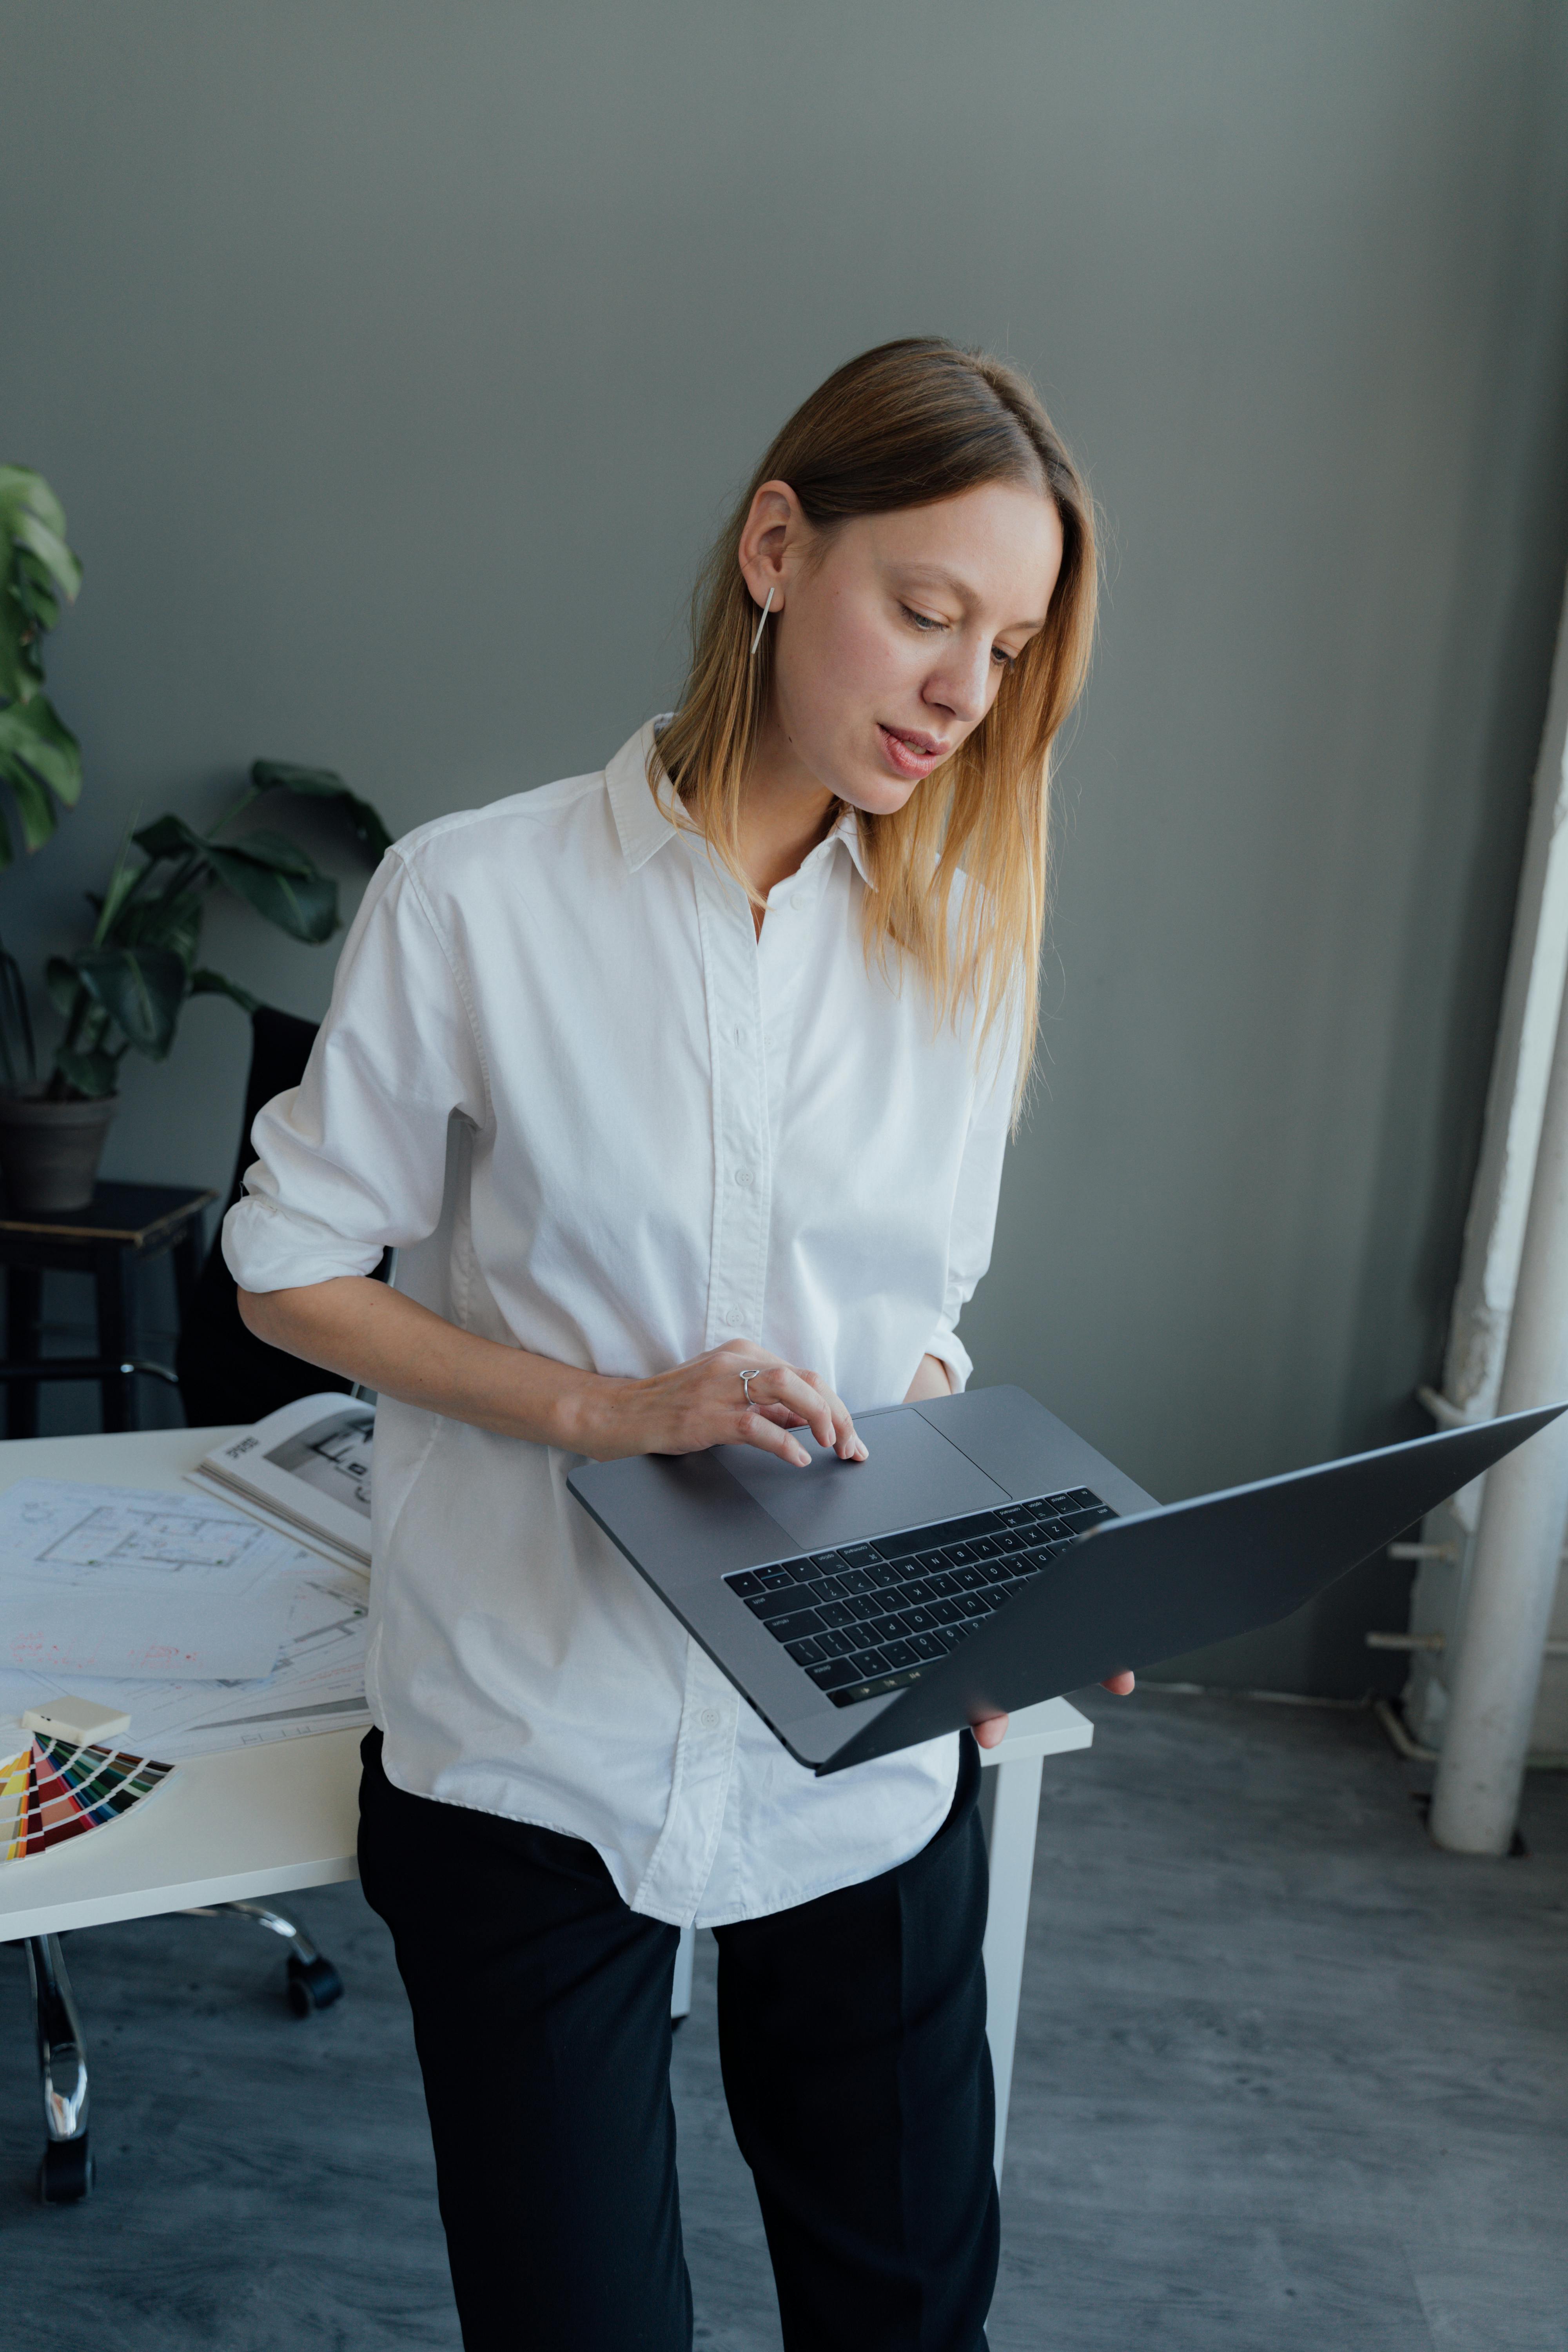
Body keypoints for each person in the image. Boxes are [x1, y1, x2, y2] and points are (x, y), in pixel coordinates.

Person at [228, 337, 1134, 2352]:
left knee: (906, 2321)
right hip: (534, 1747)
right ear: (773, 546)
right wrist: (605, 1412)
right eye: (923, 614)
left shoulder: (959, 954)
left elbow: (916, 1346)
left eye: (1006, 651)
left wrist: (999, 1570)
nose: (957, 698)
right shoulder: (474, 900)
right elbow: (284, 1263)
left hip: (866, 1746)